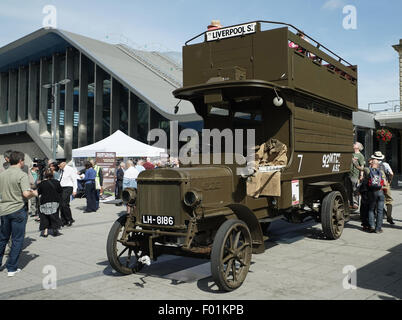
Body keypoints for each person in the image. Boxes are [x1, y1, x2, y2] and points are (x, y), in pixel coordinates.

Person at [0, 151, 38, 277]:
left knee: (3, 238)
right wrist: (34, 193)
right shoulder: (22, 175)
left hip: (4, 210)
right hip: (17, 209)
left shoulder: (2, 174)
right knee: (17, 239)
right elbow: (26, 194)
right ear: (21, 161)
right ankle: (11, 268)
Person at [363, 154, 387, 233]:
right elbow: (385, 184)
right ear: (377, 164)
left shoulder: (368, 171)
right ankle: (378, 228)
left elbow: (365, 181)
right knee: (380, 211)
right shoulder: (381, 172)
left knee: (371, 210)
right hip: (380, 193)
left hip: (372, 193)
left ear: (371, 164)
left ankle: (372, 226)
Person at [371, 151, 395, 225]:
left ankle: (377, 218)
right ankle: (389, 217)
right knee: (389, 201)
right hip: (385, 184)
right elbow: (391, 174)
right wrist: (389, 182)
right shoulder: (385, 164)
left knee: (376, 200)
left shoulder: (372, 164)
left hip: (375, 185)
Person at [37, 169, 63, 237]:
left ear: (44, 175)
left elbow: (39, 192)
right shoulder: (56, 182)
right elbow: (60, 191)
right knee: (54, 215)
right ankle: (55, 229)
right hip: (55, 201)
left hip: (44, 202)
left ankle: (45, 231)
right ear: (52, 174)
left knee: (45, 217)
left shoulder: (41, 183)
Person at [57, 158, 77, 227]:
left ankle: (69, 219)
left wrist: (75, 190)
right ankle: (63, 220)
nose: (59, 165)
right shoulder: (61, 170)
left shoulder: (70, 169)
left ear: (64, 163)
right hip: (61, 188)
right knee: (61, 205)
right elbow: (60, 179)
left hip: (68, 188)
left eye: (60, 164)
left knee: (64, 204)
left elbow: (74, 180)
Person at [349, 142, 365, 210]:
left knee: (355, 189)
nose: (353, 144)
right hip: (349, 174)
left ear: (358, 147)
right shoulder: (351, 153)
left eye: (355, 144)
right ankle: (350, 203)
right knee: (349, 189)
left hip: (355, 175)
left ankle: (355, 203)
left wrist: (361, 175)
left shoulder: (360, 156)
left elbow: (362, 166)